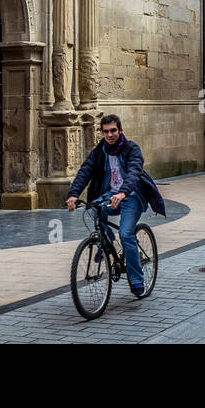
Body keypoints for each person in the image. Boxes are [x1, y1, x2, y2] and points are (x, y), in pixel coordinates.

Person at [66, 114, 166, 297]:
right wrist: (73, 195)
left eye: (113, 130)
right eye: (106, 132)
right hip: (111, 195)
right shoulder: (100, 151)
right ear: (102, 133)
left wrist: (123, 192)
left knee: (126, 233)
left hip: (132, 196)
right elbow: (85, 171)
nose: (110, 135)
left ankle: (137, 280)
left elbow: (134, 171)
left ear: (120, 130)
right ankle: (105, 242)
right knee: (92, 210)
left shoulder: (131, 149)